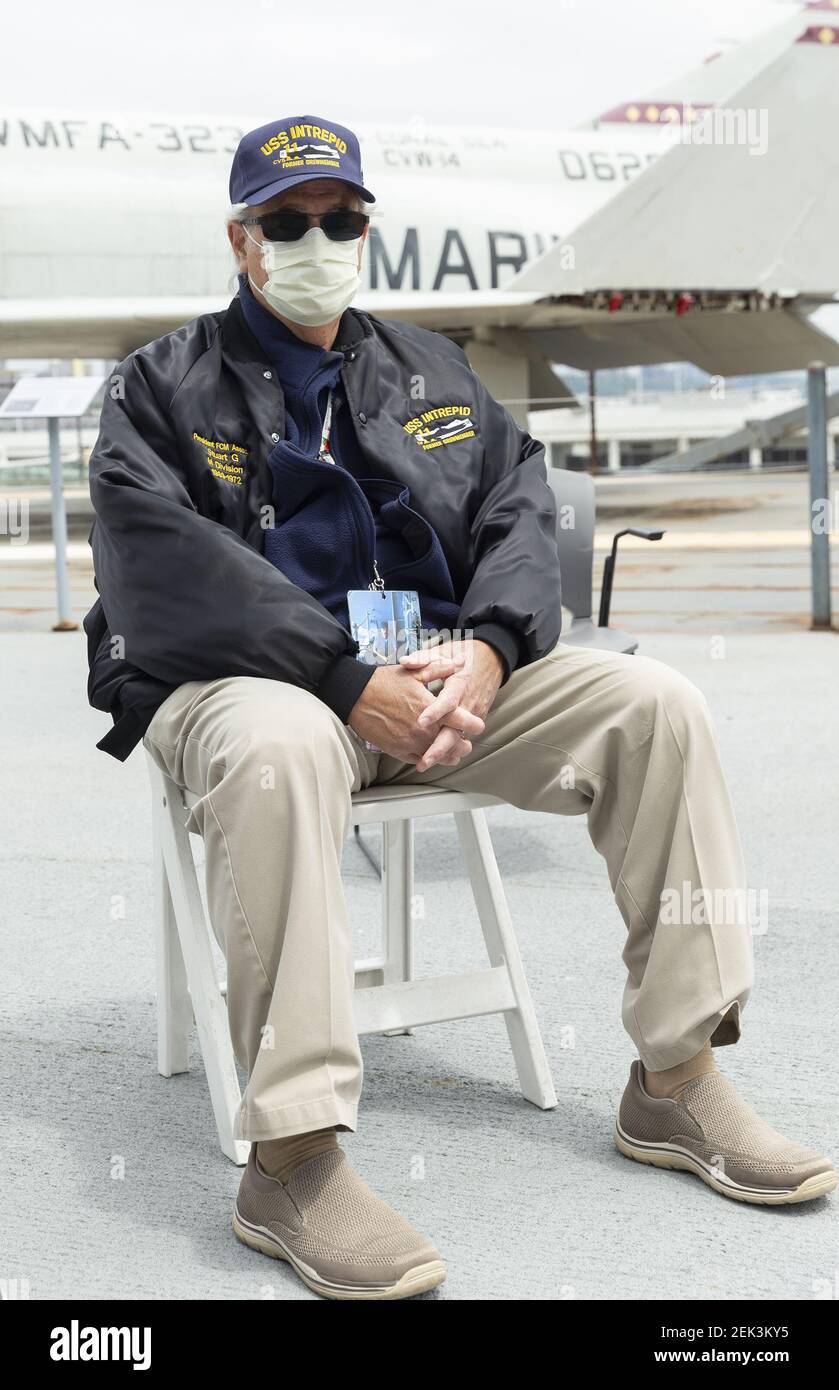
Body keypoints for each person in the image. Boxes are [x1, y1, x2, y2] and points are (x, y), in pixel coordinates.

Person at [84, 114, 835, 1302]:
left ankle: (675, 1078)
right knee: (281, 749)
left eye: (341, 218)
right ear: (242, 243)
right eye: (288, 221)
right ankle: (290, 1158)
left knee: (655, 703)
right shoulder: (160, 388)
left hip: (439, 683)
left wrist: (488, 650)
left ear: (366, 228)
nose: (317, 238)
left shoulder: (429, 370)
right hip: (256, 694)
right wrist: (341, 679)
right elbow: (159, 568)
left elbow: (517, 508)